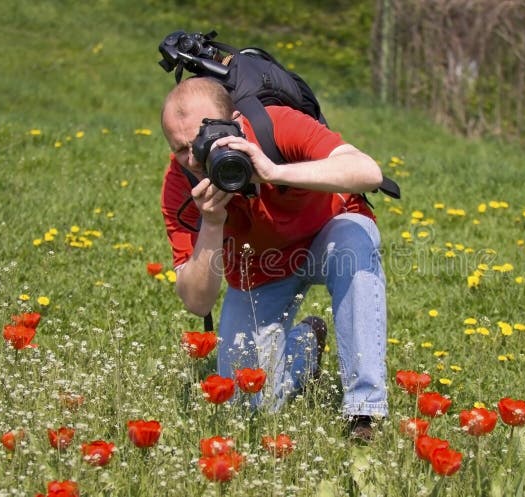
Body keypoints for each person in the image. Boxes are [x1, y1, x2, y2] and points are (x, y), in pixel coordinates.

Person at [159, 77, 388, 440]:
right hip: (259, 270)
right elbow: (195, 300)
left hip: (325, 236)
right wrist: (213, 224)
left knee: (355, 241)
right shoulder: (180, 185)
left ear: (233, 120)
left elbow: (368, 172)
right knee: (246, 402)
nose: (196, 158)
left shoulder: (274, 124)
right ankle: (306, 346)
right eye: (181, 149)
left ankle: (365, 409)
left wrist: (273, 171)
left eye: (205, 139)